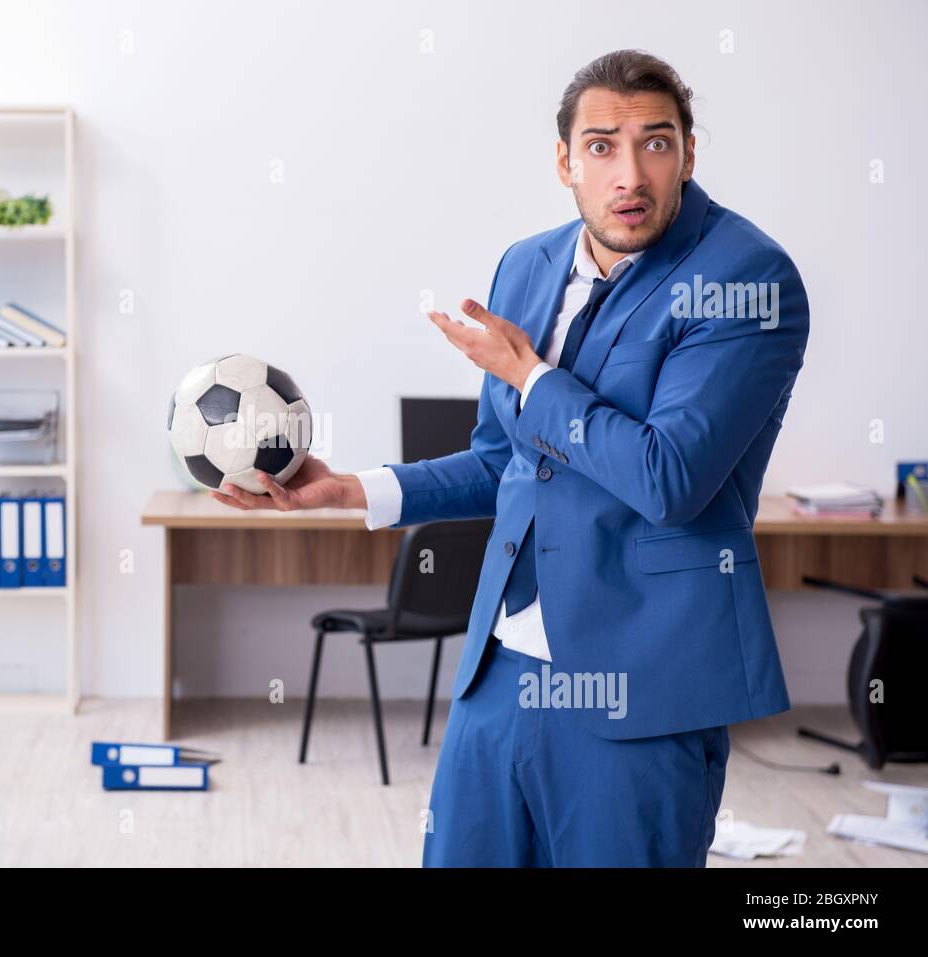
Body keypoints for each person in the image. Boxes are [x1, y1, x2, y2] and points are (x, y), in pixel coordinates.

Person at [210, 49, 809, 867]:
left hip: (644, 688)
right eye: (602, 145)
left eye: (655, 142)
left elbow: (668, 477)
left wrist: (532, 375)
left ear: (689, 152)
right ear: (565, 161)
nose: (630, 172)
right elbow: (504, 461)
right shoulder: (527, 264)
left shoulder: (747, 280)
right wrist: (349, 489)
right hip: (500, 673)